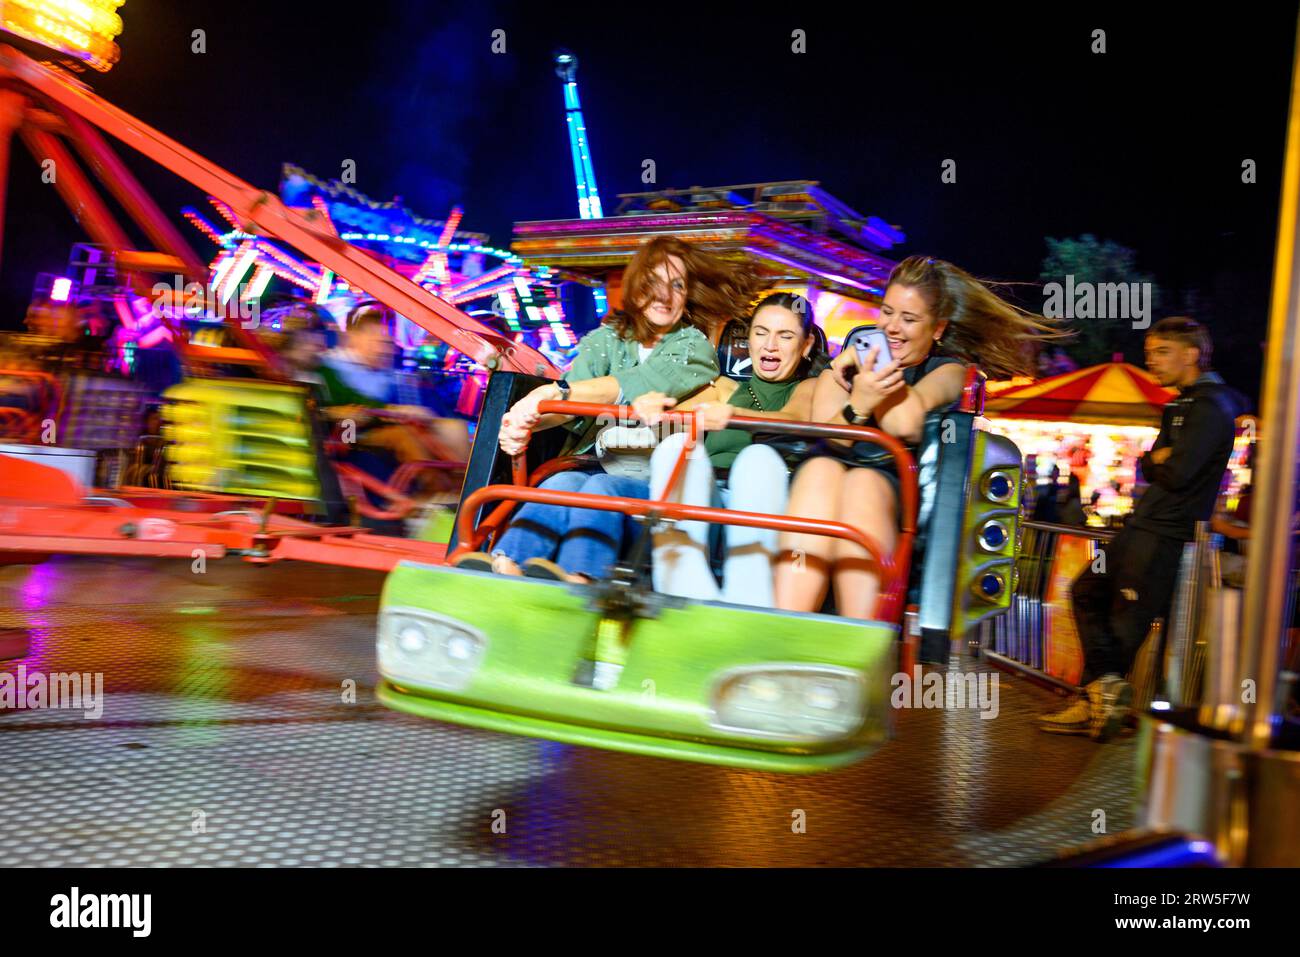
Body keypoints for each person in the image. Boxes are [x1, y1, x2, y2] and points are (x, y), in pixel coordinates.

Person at [455, 235, 762, 583]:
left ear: (687, 294)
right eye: (654, 283)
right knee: (562, 480)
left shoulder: (693, 348)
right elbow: (570, 409)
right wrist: (526, 421)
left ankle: (581, 577)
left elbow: (634, 384)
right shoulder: (607, 340)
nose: (664, 295)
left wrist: (551, 393)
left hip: (651, 477)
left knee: (601, 486)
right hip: (595, 465)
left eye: (677, 285)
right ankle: (507, 564)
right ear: (636, 287)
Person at [775, 255, 1063, 620]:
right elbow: (829, 432)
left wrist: (870, 381)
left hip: (891, 485)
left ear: (938, 329)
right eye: (887, 312)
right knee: (820, 471)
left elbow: (904, 422)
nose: (892, 328)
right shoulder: (850, 360)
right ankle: (785, 626)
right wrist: (852, 395)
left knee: (862, 483)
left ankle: (859, 642)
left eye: (909, 319)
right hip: (827, 468)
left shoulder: (947, 370)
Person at [1041, 317, 1246, 740]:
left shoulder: (1212, 404)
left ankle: (1092, 702)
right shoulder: (1181, 404)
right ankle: (1101, 693)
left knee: (1126, 623)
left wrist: (1160, 461)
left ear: (1191, 354)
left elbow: (1177, 471)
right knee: (1086, 591)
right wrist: (1159, 460)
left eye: (1162, 352)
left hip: (1165, 531)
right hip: (1144, 524)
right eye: (1149, 351)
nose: (1151, 360)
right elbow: (1153, 464)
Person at [641, 291, 825, 606]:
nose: (770, 345)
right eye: (761, 333)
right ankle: (680, 582)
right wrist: (652, 408)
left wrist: (736, 415)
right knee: (674, 447)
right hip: (712, 495)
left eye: (785, 336)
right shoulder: (724, 388)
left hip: (769, 496)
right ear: (748, 340)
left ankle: (749, 596)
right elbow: (669, 419)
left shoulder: (811, 388)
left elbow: (793, 418)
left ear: (806, 345)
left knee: (758, 458)